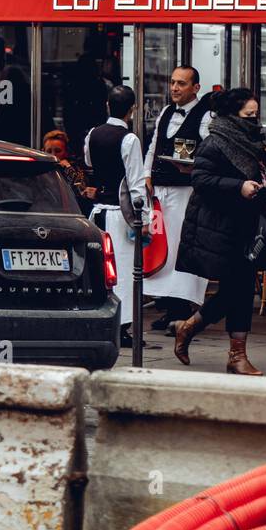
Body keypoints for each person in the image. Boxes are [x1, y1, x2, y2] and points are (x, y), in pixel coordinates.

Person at [173, 87, 266, 376]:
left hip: (246, 226)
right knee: (239, 289)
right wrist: (238, 187)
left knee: (237, 289)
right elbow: (201, 180)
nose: (254, 121)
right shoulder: (215, 143)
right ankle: (235, 356)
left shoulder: (252, 143)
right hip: (218, 227)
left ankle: (190, 328)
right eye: (248, 115)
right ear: (232, 116)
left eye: (256, 115)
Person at [143, 65, 214, 331]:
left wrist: (196, 168)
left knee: (181, 248)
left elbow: (211, 153)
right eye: (173, 82)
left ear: (195, 88)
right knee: (163, 247)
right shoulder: (165, 112)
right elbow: (154, 146)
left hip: (187, 192)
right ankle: (170, 306)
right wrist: (147, 175)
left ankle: (181, 308)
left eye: (181, 84)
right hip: (160, 191)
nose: (174, 88)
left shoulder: (206, 116)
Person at [84, 86, 148, 348]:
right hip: (120, 214)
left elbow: (89, 164)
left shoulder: (92, 134)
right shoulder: (130, 139)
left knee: (100, 269)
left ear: (107, 105)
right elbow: (136, 183)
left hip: (97, 211)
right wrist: (143, 218)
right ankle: (121, 327)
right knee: (122, 272)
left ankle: (99, 320)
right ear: (132, 110)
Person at [42, 129, 95, 214]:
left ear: (66, 152)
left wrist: (68, 168)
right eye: (49, 151)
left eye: (58, 151)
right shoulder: (39, 170)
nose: (53, 155)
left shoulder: (74, 169)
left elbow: (82, 191)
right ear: (43, 151)